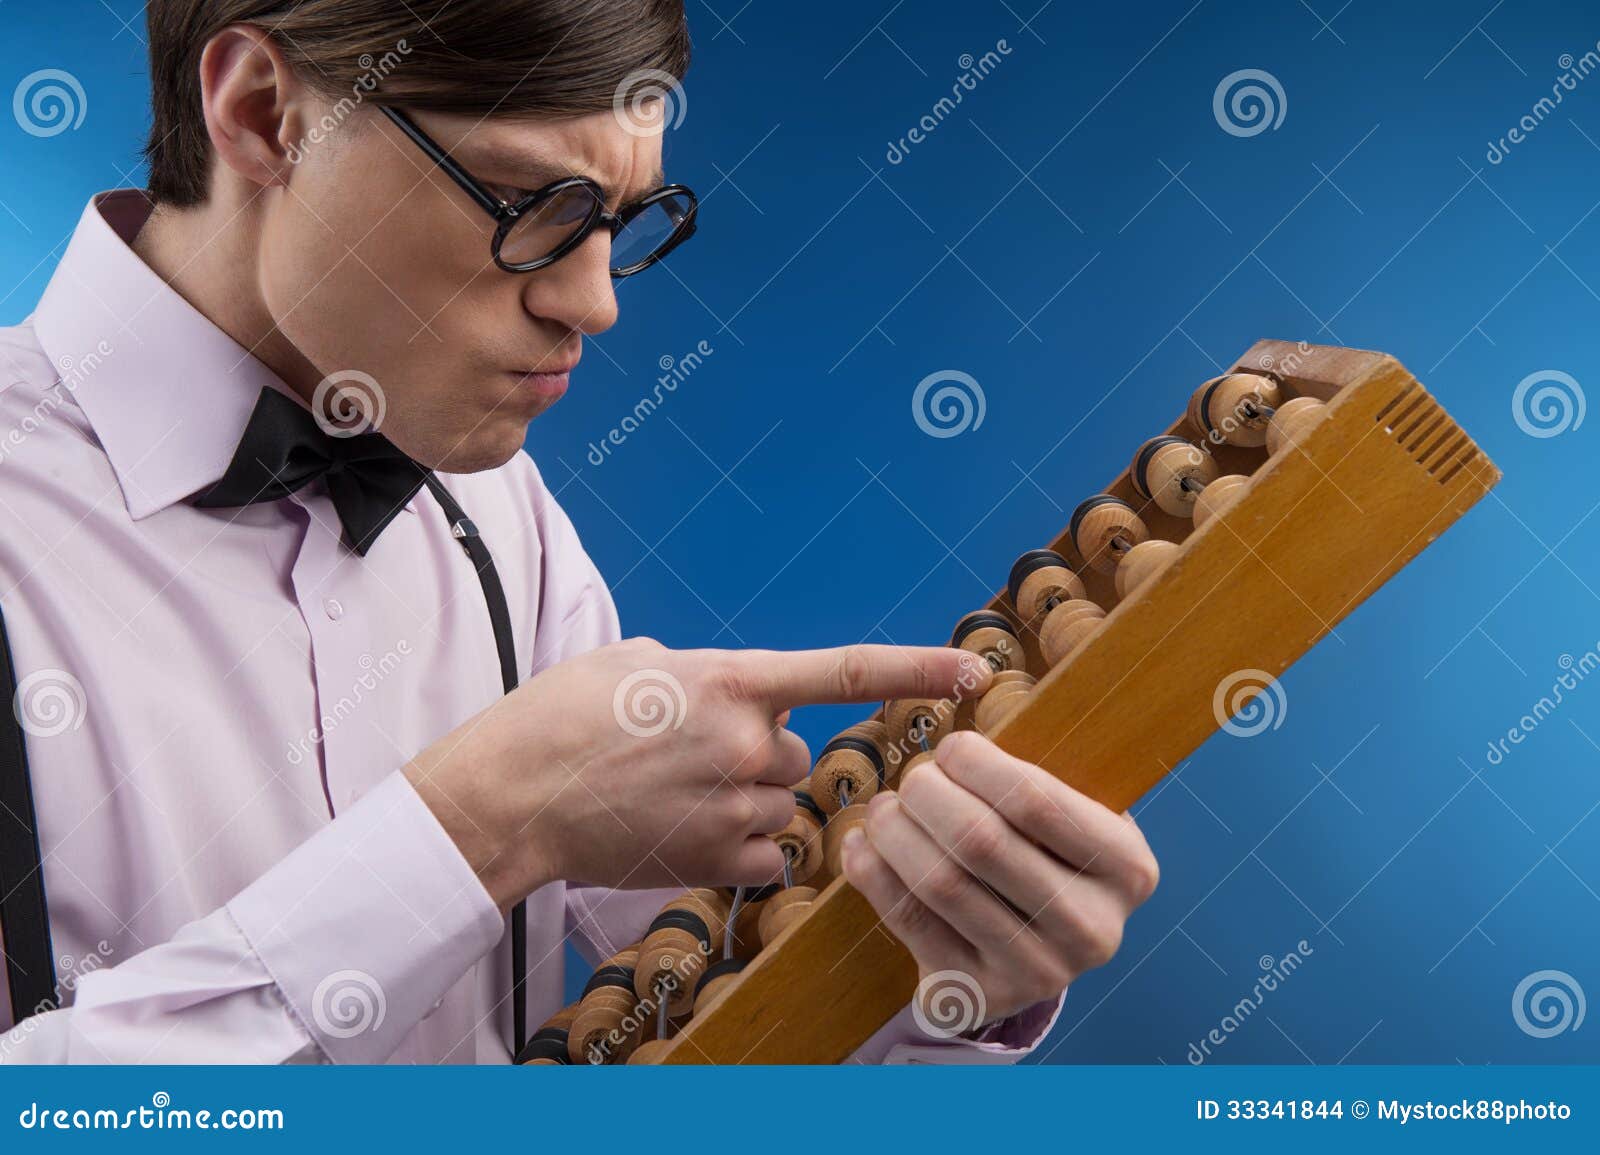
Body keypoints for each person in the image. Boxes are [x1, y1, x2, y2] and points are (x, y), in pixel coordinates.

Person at [0, 0, 1158, 1064]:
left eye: (617, 218)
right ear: (263, 113)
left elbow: (700, 1017)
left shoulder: (496, 506)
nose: (596, 302)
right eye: (531, 206)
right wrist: (478, 823)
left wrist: (940, 977)